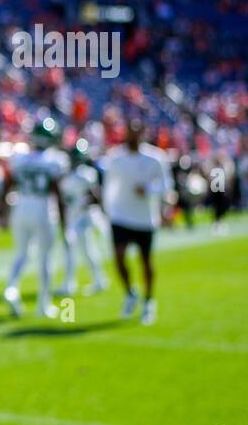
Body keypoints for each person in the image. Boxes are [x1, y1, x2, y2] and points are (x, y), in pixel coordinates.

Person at [101, 119, 173, 325]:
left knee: (146, 261)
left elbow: (167, 186)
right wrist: (108, 211)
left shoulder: (155, 158)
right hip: (120, 216)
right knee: (119, 257)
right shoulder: (115, 157)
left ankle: (149, 301)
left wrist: (149, 190)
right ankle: (130, 293)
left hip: (145, 218)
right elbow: (108, 186)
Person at [3, 117, 68, 319]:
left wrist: (4, 212)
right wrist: (65, 221)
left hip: (20, 206)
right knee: (45, 258)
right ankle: (43, 304)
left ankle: (11, 289)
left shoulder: (20, 158)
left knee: (21, 254)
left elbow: (8, 185)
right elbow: (57, 193)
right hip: (43, 208)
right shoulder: (54, 160)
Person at [56, 139, 108, 296]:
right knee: (84, 250)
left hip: (82, 217)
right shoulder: (69, 175)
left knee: (77, 250)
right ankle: (98, 280)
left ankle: (70, 284)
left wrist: (84, 205)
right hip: (74, 216)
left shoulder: (86, 174)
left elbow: (95, 197)